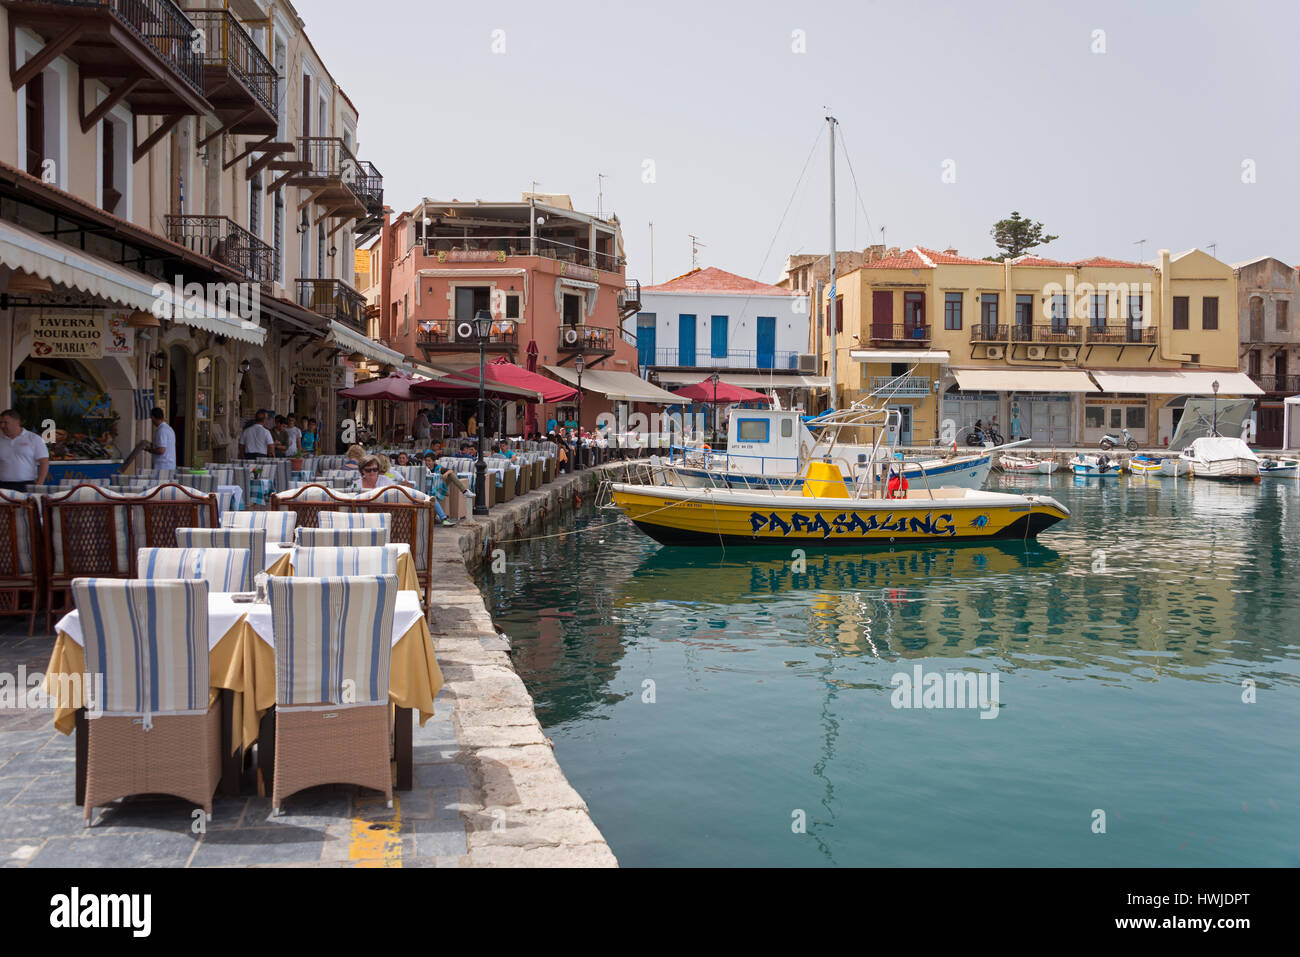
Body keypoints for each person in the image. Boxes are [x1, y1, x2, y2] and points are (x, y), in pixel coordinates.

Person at [0, 409, 49, 490]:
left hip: (26, 485)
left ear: (17, 422)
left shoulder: (33, 439)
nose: (2, 426)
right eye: (0, 422)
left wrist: (39, 484)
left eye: (5, 422)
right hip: (2, 485)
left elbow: (44, 462)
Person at [145, 407, 177, 471]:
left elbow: (161, 450)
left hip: (163, 466)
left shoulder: (162, 430)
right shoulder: (168, 428)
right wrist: (149, 444)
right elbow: (160, 445)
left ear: (153, 417)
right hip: (169, 465)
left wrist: (149, 450)